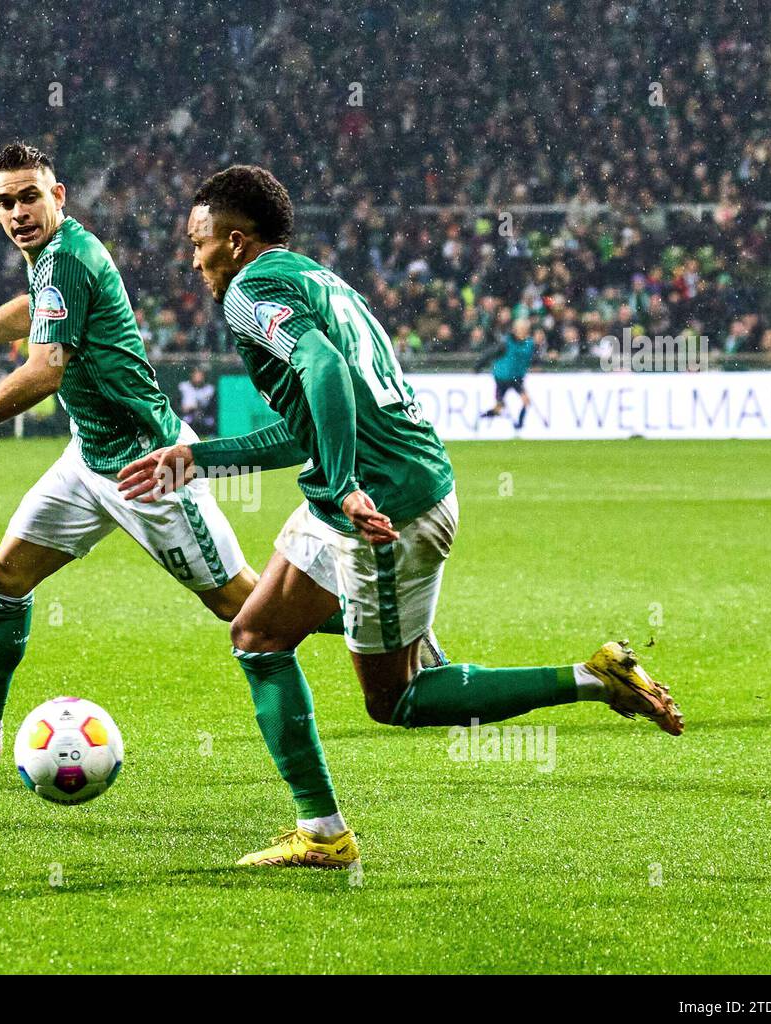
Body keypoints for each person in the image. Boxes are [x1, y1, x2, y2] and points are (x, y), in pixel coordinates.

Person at [119, 165, 683, 869]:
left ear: (235, 242)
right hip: (360, 494)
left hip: (385, 507)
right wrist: (204, 458)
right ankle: (323, 831)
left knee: (399, 699)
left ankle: (595, 678)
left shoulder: (247, 293)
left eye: (198, 242)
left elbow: (323, 370)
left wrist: (350, 483)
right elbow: (311, 425)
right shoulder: (314, 280)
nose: (192, 257)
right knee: (258, 634)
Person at [0, 143, 257, 773]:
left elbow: (46, 370)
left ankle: (399, 638)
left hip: (149, 464)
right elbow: (35, 313)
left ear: (58, 196)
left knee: (246, 609)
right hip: (89, 457)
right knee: (5, 575)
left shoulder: (67, 256)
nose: (18, 211)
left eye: (30, 196)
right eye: (5, 201)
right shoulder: (54, 258)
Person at [477, 317, 537, 428]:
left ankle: (519, 425)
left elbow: (534, 359)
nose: (523, 332)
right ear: (515, 329)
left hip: (516, 378)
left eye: (525, 329)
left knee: (526, 401)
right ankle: (481, 418)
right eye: (521, 329)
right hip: (502, 378)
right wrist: (479, 366)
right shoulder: (505, 343)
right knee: (499, 407)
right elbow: (490, 354)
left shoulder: (529, 343)